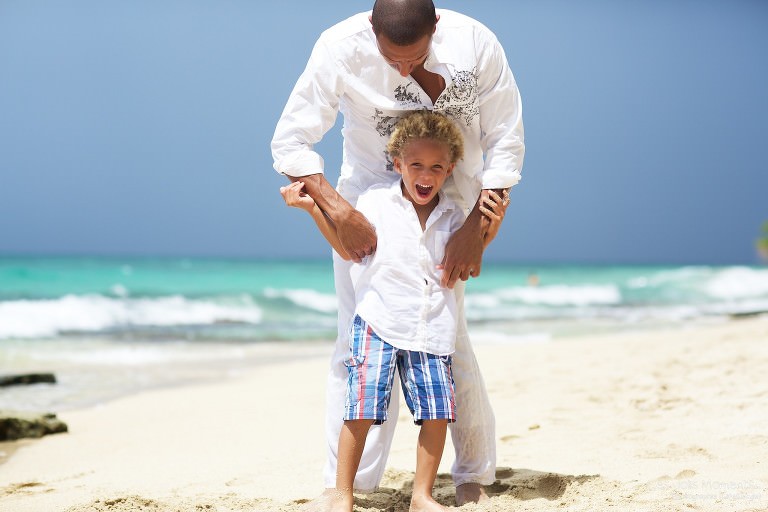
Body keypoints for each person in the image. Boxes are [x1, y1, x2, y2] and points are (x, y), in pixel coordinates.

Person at [271, 0, 524, 505]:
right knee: (357, 343)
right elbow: (291, 140)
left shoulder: (475, 42)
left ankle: (471, 471)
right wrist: (337, 210)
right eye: (393, 60)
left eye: (416, 56)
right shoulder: (339, 48)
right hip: (367, 197)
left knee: (449, 339)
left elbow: (505, 141)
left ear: (437, 26)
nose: (405, 70)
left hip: (456, 191)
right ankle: (347, 484)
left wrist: (478, 223)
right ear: (371, 29)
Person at [281, 111, 506, 512]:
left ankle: (422, 495)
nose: (426, 173)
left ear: (450, 168)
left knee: (437, 414)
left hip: (432, 327)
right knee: (362, 408)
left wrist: (491, 231)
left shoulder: (454, 216)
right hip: (378, 322)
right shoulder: (375, 203)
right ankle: (342, 492)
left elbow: (465, 265)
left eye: (437, 167)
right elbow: (347, 247)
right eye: (416, 164)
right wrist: (312, 209)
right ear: (398, 163)